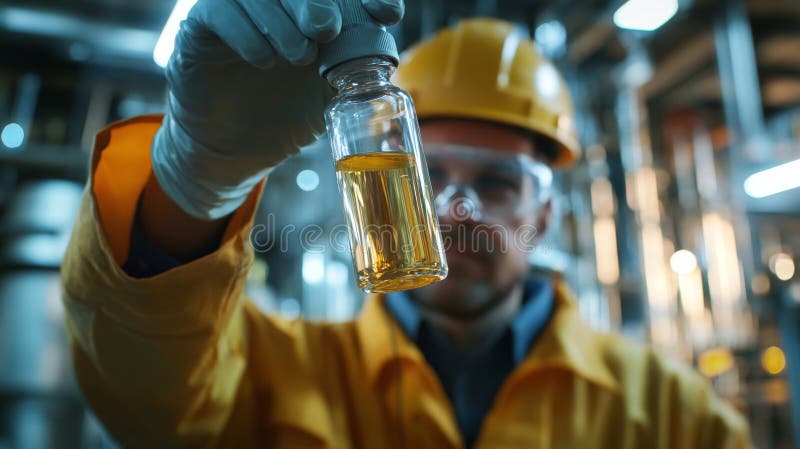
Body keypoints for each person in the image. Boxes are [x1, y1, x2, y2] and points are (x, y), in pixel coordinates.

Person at [61, 0, 751, 447]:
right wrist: (195, 181)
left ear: (545, 213)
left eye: (498, 181)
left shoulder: (670, 416)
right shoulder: (277, 372)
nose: (455, 207)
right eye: (430, 172)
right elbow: (149, 405)